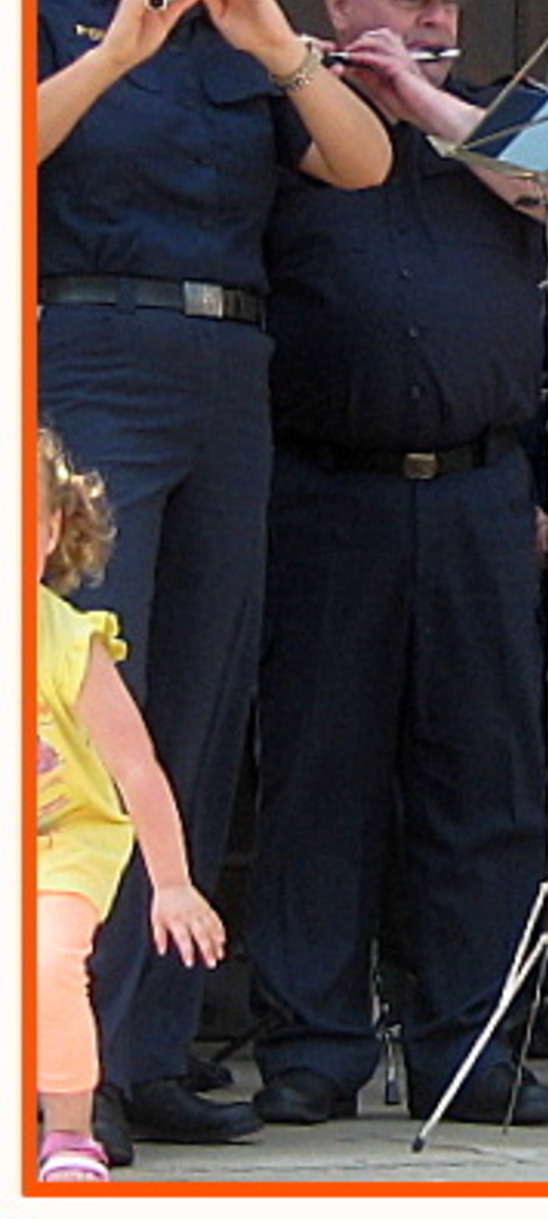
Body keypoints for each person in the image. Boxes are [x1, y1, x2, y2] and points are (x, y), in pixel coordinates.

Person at [36, 0, 391, 1162]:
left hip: (227, 364)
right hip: (89, 349)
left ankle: (150, 1046)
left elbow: (360, 165)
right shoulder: (54, 4)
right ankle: (68, 1062)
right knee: (80, 705)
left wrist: (282, 47)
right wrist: (118, 50)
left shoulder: (245, 30)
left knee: (194, 697)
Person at [242, 0, 548, 1130]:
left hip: (475, 491)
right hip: (323, 488)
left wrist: (433, 106)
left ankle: (475, 1041)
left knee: (481, 774)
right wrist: (349, 92)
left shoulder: (506, 116)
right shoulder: (278, 101)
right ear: (339, 3)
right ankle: (314, 1040)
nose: (433, 14)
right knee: (317, 773)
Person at [36, 428, 229, 1184]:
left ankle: (70, 1132)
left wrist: (173, 883)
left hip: (66, 836)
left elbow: (137, 768)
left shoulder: (67, 641)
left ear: (56, 532)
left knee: (50, 960)